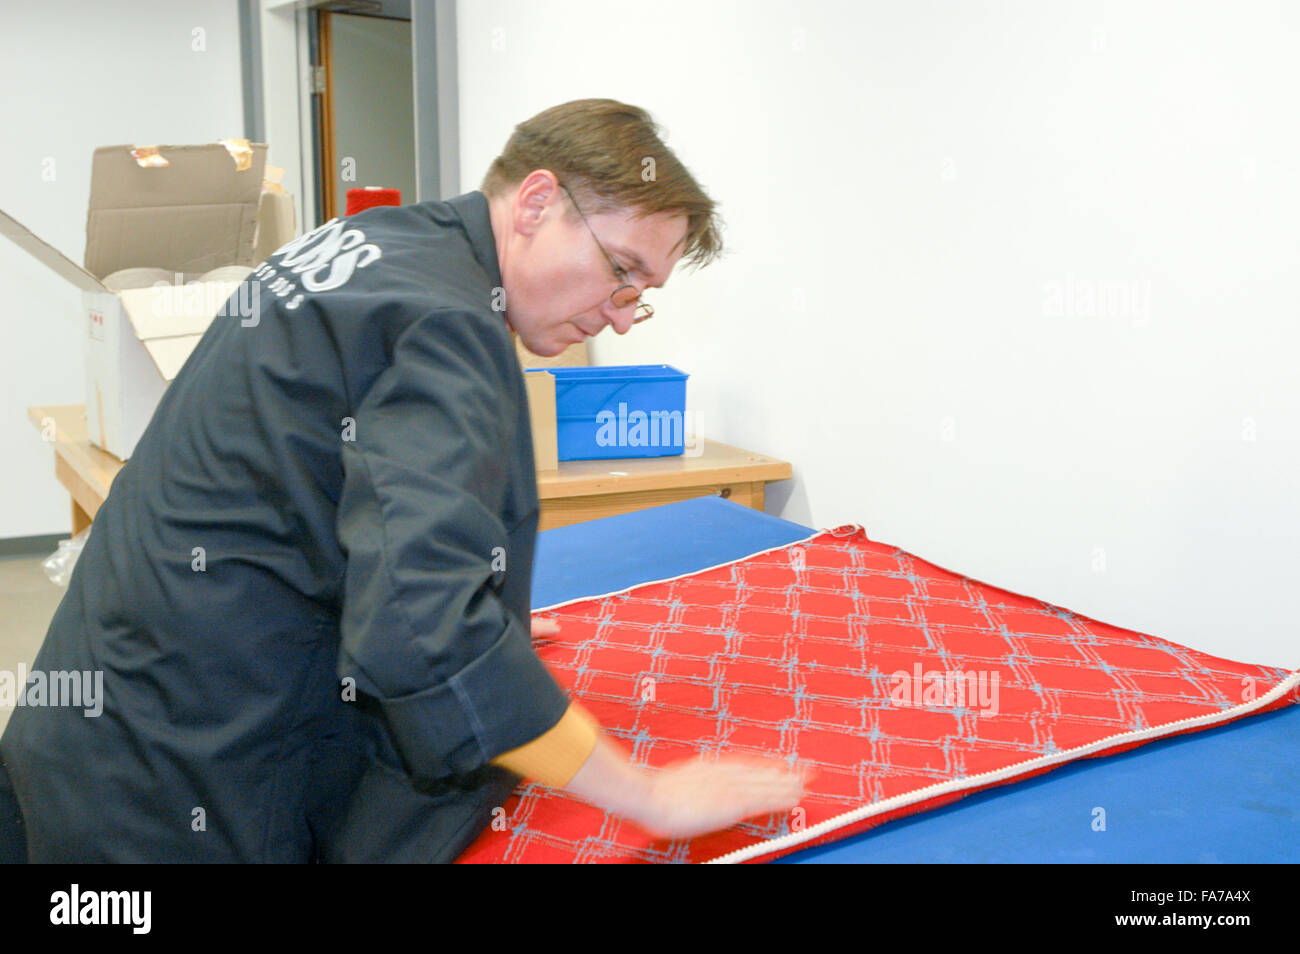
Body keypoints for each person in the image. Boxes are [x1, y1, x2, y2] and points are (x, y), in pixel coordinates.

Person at [0, 98, 805, 863]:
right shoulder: (448, 326)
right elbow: (425, 636)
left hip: (89, 718)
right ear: (535, 203)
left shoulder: (368, 242)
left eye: (644, 296)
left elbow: (341, 494)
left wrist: (487, 606)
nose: (624, 313)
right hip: (174, 785)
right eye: (622, 270)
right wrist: (649, 794)